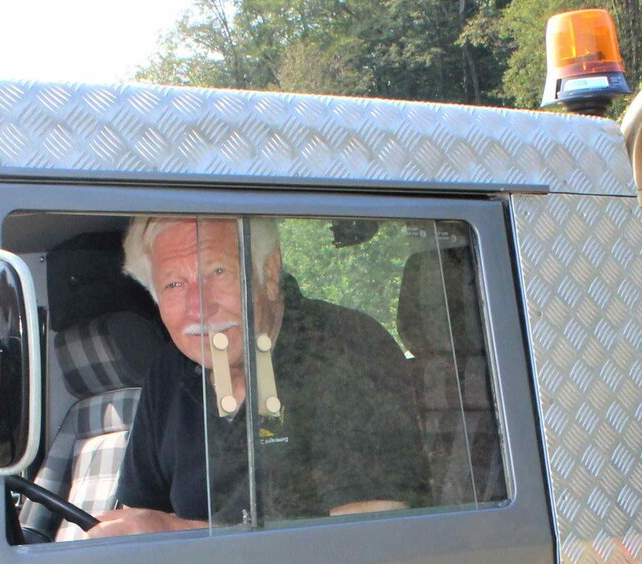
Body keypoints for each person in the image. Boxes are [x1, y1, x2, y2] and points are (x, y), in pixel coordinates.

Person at [92, 215, 426, 537]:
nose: (199, 307)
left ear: (269, 271)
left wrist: (178, 533)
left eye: (218, 272)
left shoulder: (347, 348)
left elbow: (370, 540)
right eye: (174, 284)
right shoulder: (169, 373)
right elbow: (139, 519)